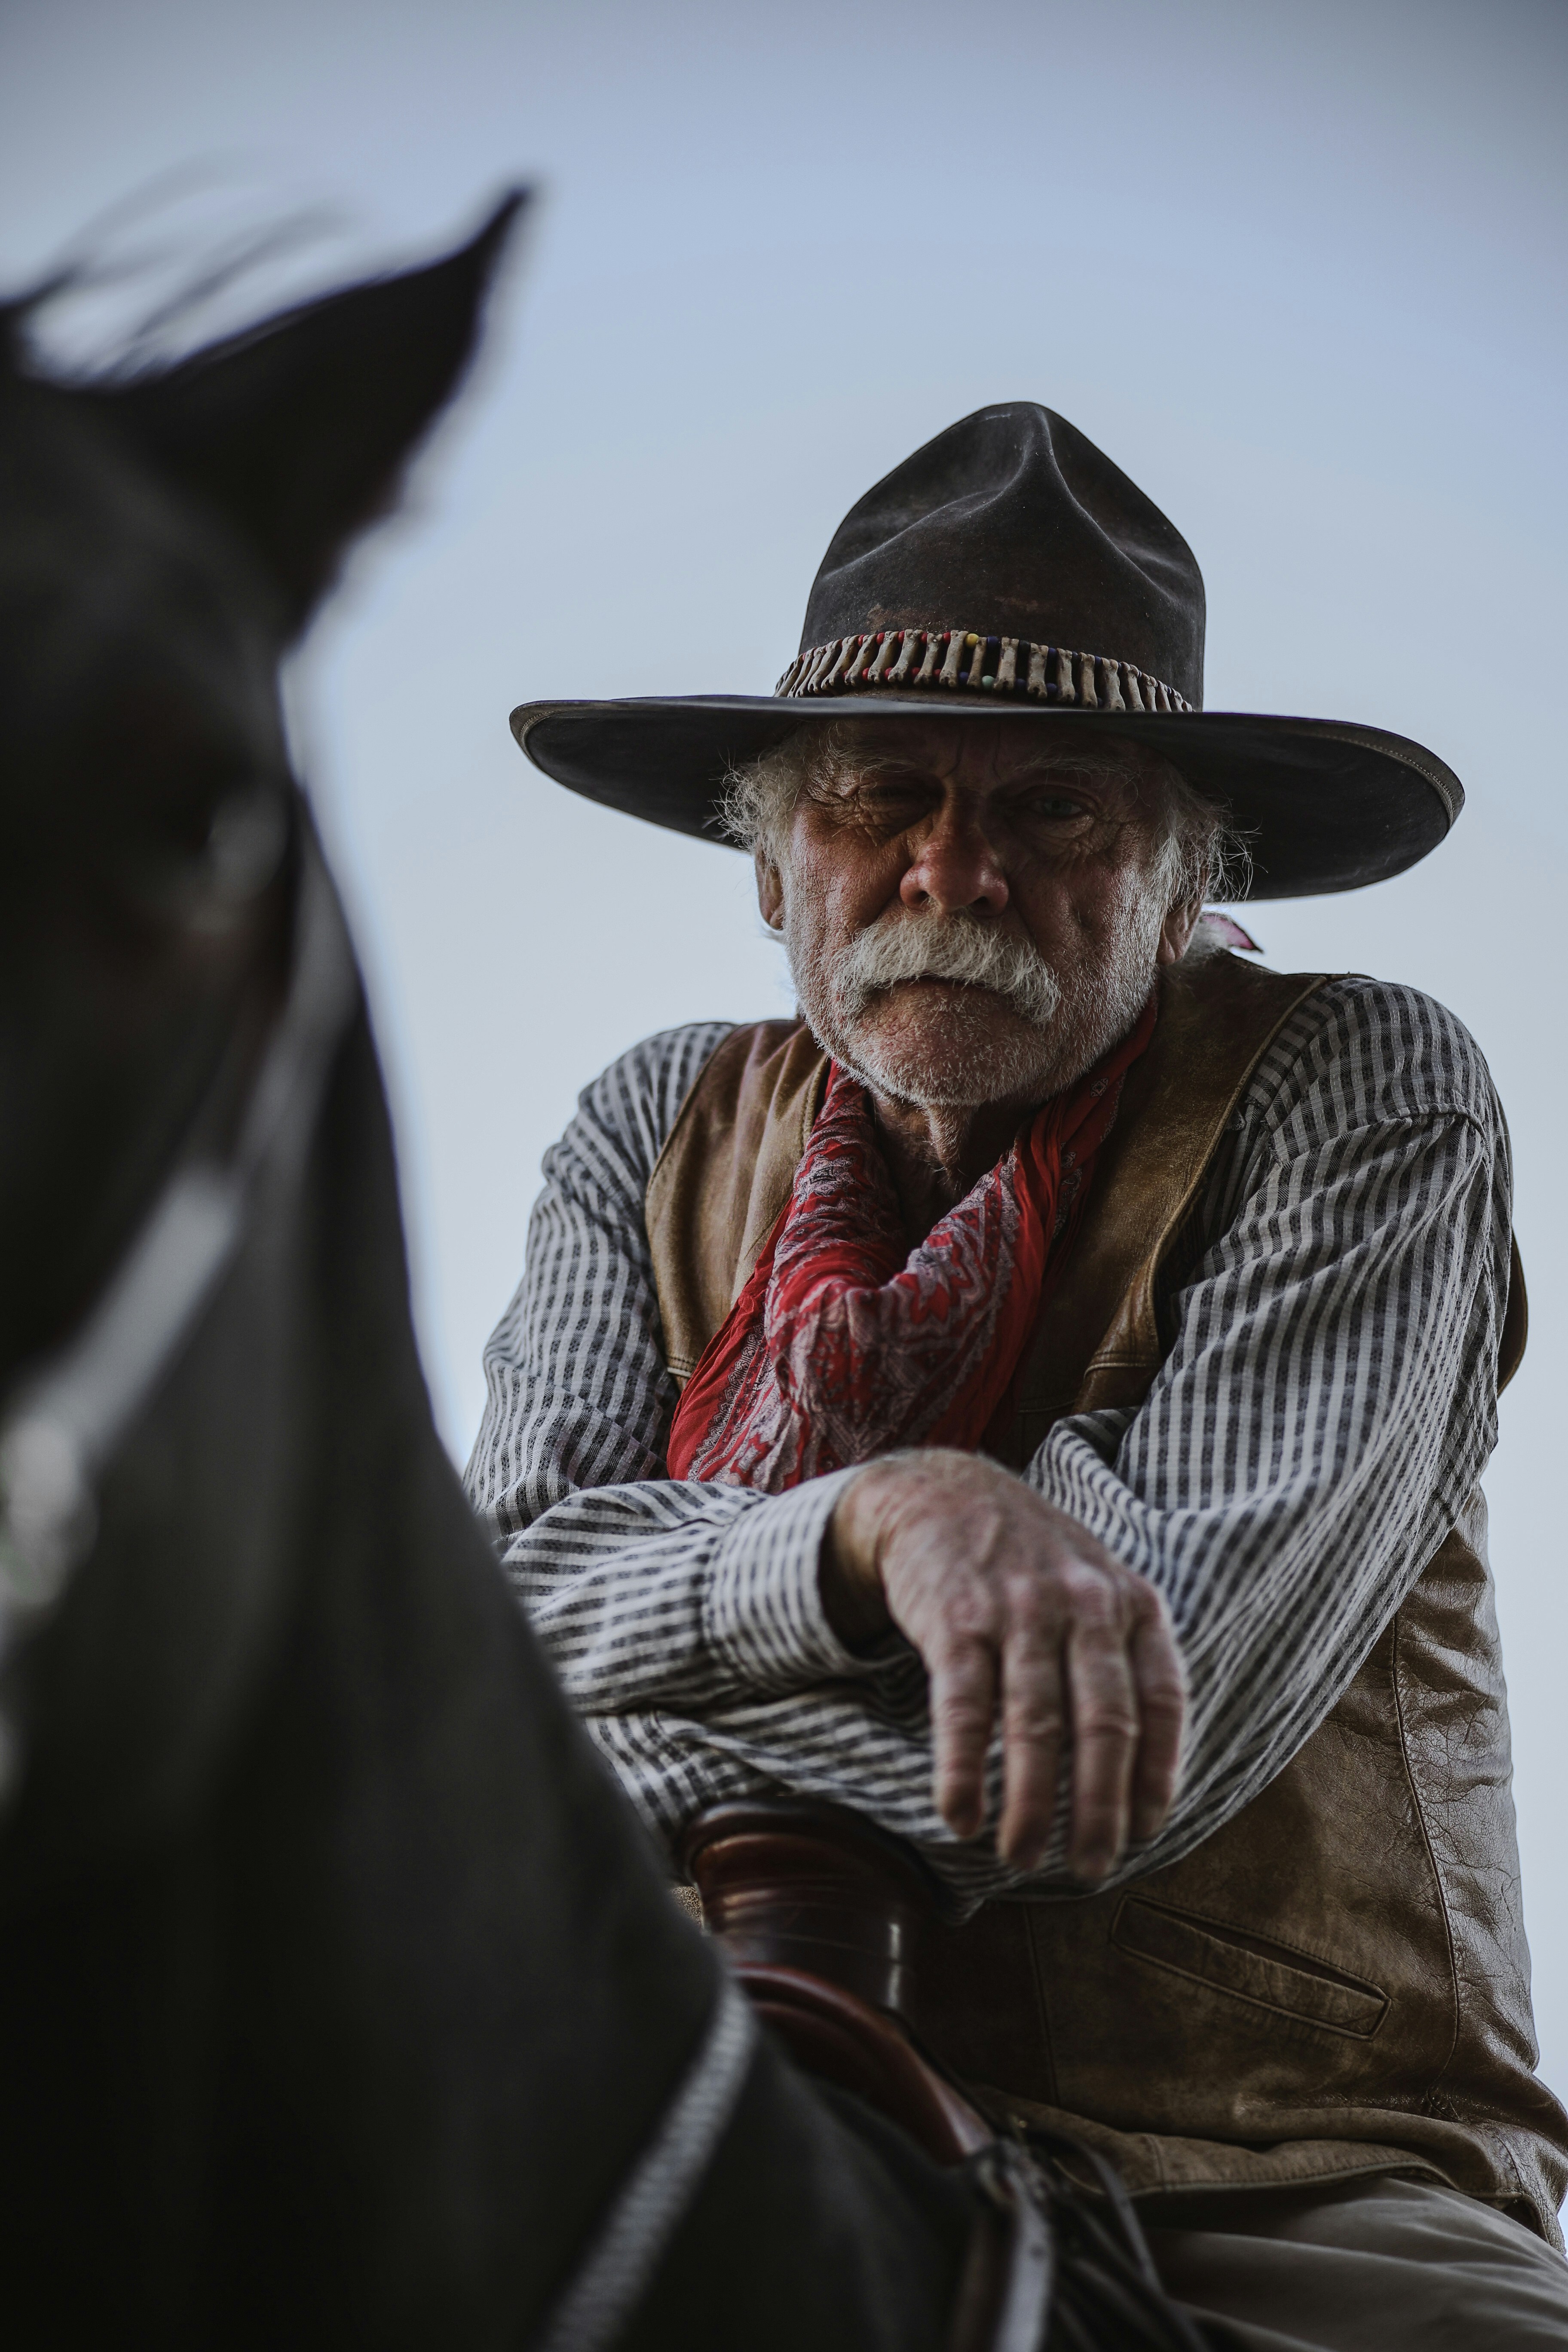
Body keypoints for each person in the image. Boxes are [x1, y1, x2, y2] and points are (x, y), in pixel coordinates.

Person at [468, 402, 1568, 2344]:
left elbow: (1123, 1751)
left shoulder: (1362, 1085)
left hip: (1254, 2165)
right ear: (768, 863)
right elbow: (486, 1630)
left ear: (1185, 867)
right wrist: (877, 1530)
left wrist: (572, 1761)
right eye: (877, 794)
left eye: (1057, 808)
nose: (952, 873)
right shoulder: (645, 1126)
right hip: (647, 2073)